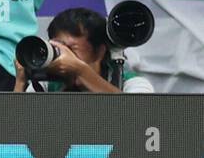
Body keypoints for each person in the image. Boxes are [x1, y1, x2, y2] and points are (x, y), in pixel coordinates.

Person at [14, 6, 156, 93]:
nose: (64, 56)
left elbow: (138, 117)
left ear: (100, 51)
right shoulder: (46, 84)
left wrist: (80, 72)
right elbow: (12, 131)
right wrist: (20, 83)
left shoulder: (133, 84)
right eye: (57, 47)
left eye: (71, 49)